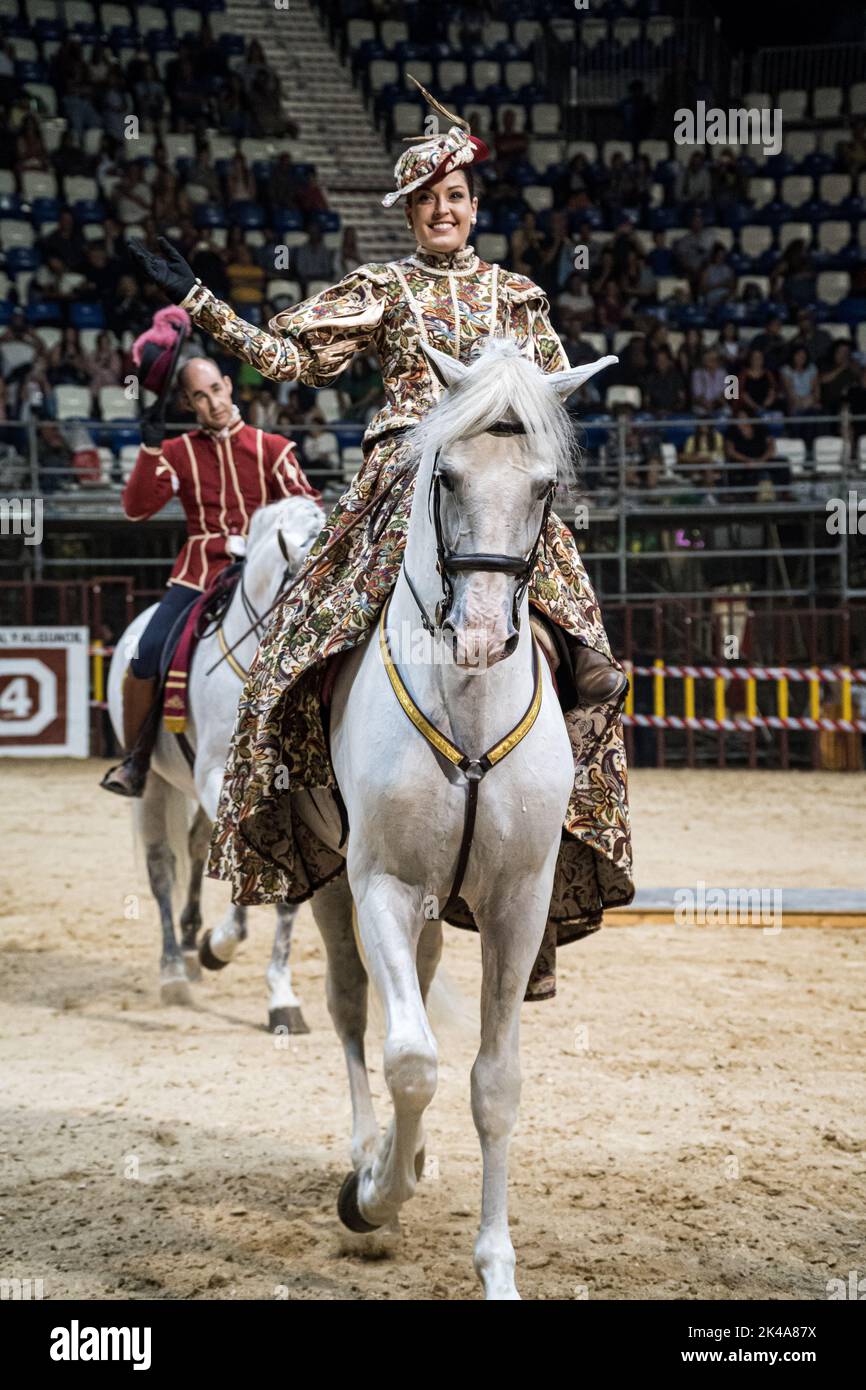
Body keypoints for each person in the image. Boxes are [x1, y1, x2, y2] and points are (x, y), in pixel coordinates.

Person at [129, 85, 634, 991]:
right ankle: (298, 809)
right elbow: (290, 357)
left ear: (474, 206)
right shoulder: (381, 287)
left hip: (494, 482)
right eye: (428, 200)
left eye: (458, 197)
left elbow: (552, 386)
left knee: (588, 651)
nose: (445, 211)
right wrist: (203, 302)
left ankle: (545, 888)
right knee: (288, 640)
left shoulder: (517, 294)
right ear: (408, 212)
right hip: (401, 480)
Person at [100, 350, 321, 797]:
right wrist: (148, 448)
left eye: (216, 390)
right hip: (199, 574)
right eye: (199, 397)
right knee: (146, 654)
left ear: (228, 384)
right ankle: (136, 761)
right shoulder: (178, 453)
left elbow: (308, 510)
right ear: (188, 404)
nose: (213, 403)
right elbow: (136, 508)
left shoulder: (272, 448)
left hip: (264, 574)